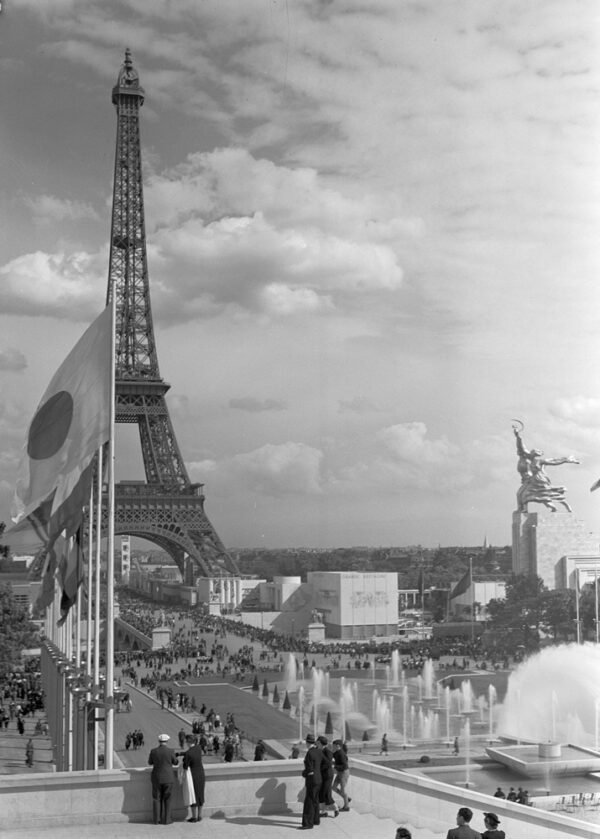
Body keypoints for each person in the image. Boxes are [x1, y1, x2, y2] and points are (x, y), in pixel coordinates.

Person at [513, 425, 579, 513]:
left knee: (547, 493)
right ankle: (525, 509)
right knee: (526, 494)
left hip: (541, 480)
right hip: (533, 480)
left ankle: (565, 506)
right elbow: (521, 447)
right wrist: (518, 436)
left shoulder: (540, 461)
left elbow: (554, 461)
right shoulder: (529, 459)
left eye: (535, 451)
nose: (531, 452)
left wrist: (566, 460)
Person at [148, 733, 178, 825]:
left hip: (156, 777)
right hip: (168, 778)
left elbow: (150, 762)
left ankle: (156, 820)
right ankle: (166, 819)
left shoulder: (153, 751)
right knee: (167, 799)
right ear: (167, 741)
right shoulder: (170, 751)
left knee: (156, 798)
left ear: (159, 741)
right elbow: (175, 762)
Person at [300, 733, 322, 829]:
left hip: (312, 781)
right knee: (315, 800)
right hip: (319, 779)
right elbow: (326, 763)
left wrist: (303, 773)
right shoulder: (319, 751)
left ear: (307, 742)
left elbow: (309, 769)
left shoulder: (309, 753)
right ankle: (316, 820)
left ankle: (308, 823)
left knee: (309, 801)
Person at [183, 735, 206, 823]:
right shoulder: (198, 748)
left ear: (188, 742)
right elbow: (192, 753)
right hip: (201, 773)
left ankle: (194, 816)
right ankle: (200, 815)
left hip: (193, 775)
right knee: (200, 794)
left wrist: (184, 759)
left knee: (193, 795)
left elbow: (185, 766)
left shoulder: (189, 753)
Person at [317, 735, 339, 818]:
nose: (316, 743)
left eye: (318, 742)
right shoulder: (318, 750)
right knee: (321, 794)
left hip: (328, 775)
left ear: (321, 743)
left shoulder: (328, 752)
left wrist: (318, 768)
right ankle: (323, 812)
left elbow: (328, 764)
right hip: (322, 775)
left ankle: (336, 808)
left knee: (326, 793)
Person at [331, 740, 350, 811]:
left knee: (342, 790)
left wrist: (335, 767)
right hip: (340, 772)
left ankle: (346, 807)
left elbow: (344, 765)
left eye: (333, 745)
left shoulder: (341, 753)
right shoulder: (336, 753)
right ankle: (346, 798)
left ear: (337, 746)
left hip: (344, 773)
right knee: (333, 787)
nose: (332, 746)